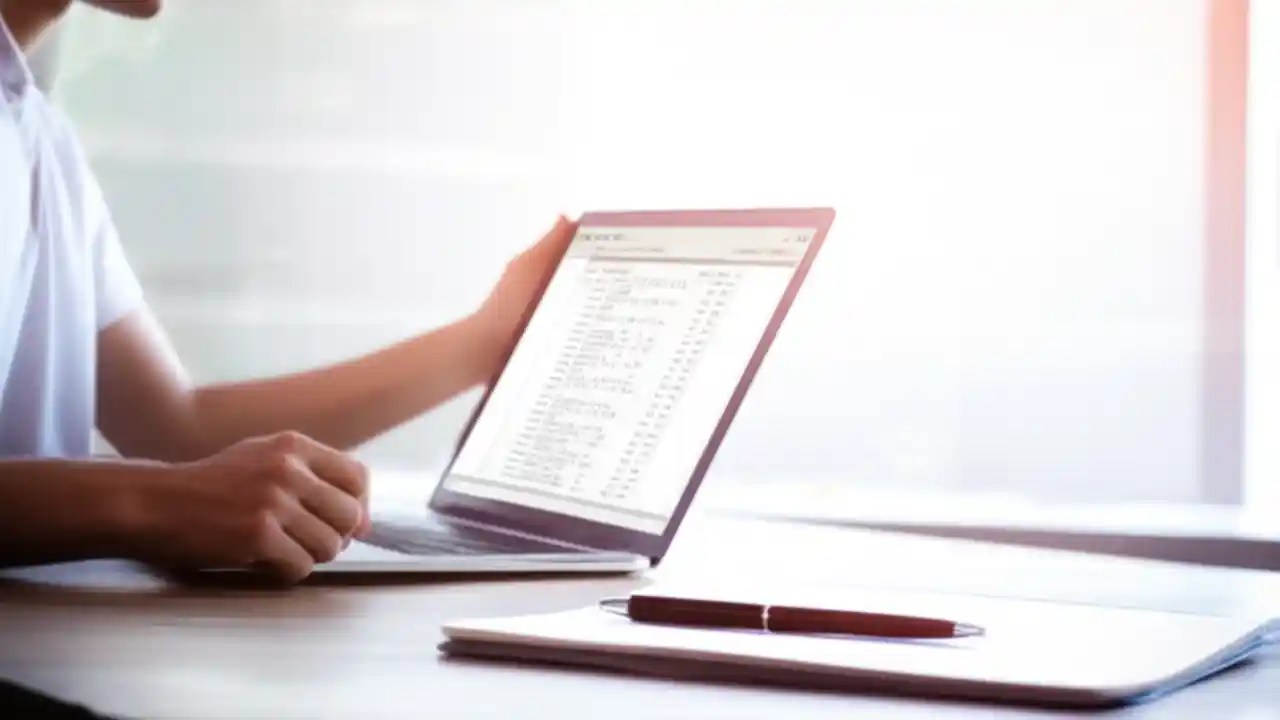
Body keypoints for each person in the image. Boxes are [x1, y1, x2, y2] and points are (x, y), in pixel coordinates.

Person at [0, 0, 574, 584]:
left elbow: (176, 431)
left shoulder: (37, 132)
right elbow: (176, 473)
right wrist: (155, 504)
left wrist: (479, 345)